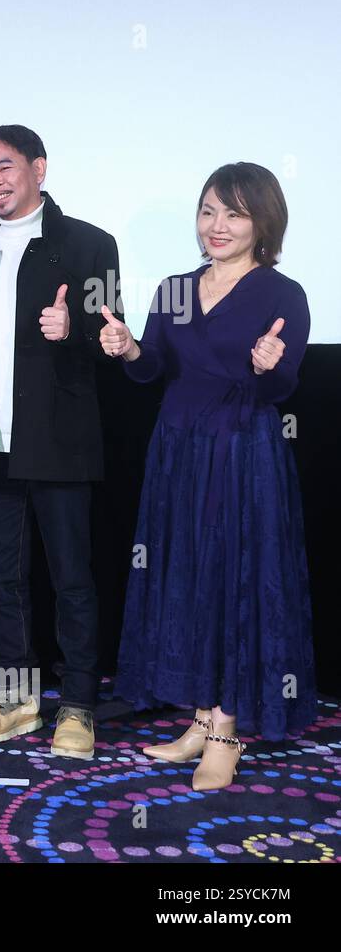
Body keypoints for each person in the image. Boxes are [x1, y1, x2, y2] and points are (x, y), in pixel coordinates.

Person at [100, 162, 313, 790]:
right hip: (178, 451)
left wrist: (270, 366)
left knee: (232, 584)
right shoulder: (172, 288)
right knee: (187, 578)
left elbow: (284, 385)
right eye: (209, 211)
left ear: (262, 222)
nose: (217, 226)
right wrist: (130, 350)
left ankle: (226, 729)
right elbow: (153, 370)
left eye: (235, 213)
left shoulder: (283, 295)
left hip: (243, 451)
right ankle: (198, 717)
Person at [0, 125, 121, 759]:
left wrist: (76, 330)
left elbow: (113, 344)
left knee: (71, 578)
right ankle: (15, 699)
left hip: (59, 438)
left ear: (39, 167)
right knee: (1, 577)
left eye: (4, 167)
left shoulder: (90, 245)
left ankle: (80, 705)